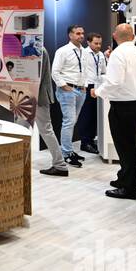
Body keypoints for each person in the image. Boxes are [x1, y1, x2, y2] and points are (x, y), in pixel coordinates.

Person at [93, 23, 136, 200]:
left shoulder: (119, 53)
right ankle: (124, 178)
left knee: (125, 147)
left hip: (123, 106)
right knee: (129, 145)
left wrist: (98, 92)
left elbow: (114, 82)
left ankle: (130, 188)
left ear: (116, 36)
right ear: (132, 36)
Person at [50, 25, 88, 168]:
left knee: (72, 122)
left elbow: (84, 70)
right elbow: (55, 72)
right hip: (67, 90)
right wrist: (65, 86)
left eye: (82, 33)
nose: (81, 36)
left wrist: (84, 85)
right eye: (78, 33)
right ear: (70, 35)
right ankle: (66, 154)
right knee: (69, 122)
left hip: (80, 90)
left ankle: (69, 151)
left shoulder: (83, 51)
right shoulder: (63, 51)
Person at [34, 37, 69, 178]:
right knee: (23, 130)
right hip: (29, 96)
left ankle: (60, 165)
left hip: (38, 96)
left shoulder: (38, 50)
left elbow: (37, 77)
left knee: (46, 130)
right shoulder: (36, 49)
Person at [77, 32, 107, 154]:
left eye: (100, 43)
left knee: (96, 115)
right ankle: (85, 142)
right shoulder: (83, 53)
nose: (98, 45)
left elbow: (104, 71)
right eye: (96, 43)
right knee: (86, 115)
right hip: (87, 86)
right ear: (89, 42)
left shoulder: (100, 55)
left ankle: (91, 139)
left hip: (98, 86)